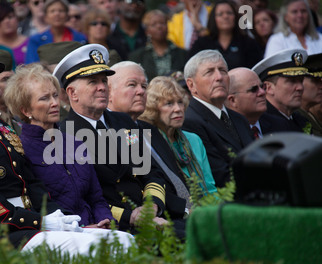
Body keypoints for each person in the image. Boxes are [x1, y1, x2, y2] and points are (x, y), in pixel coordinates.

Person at [0, 36, 133, 256]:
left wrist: (67, 221)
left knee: (124, 240)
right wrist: (40, 222)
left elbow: (33, 185)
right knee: (100, 248)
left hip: (29, 227)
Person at [54, 44, 187, 238]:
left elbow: (150, 172)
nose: (102, 87)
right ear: (73, 93)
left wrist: (152, 205)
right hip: (115, 225)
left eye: (103, 80)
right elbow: (82, 196)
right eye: (92, 82)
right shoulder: (65, 135)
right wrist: (131, 216)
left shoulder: (122, 121)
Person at [5, 63, 116, 229]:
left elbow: (96, 198)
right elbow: (36, 207)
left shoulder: (75, 142)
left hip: (96, 228)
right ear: (25, 110)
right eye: (44, 98)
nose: (54, 103)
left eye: (55, 95)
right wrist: (81, 228)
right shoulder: (20, 150)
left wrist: (106, 220)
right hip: (60, 233)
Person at [107, 61, 194, 219]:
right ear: (108, 93)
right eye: (132, 85)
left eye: (144, 86)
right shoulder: (108, 132)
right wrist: (186, 210)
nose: (141, 91)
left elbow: (164, 177)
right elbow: (136, 185)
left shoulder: (149, 129)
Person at [182, 49, 254, 188]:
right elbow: (219, 176)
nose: (219, 77)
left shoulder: (239, 119)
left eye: (222, 70)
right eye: (209, 72)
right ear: (191, 85)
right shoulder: (190, 122)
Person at [140, 75, 217, 196]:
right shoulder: (147, 142)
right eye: (169, 103)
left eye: (180, 102)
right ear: (153, 108)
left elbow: (210, 188)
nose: (178, 109)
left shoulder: (194, 140)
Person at [188, 0, 263, 70]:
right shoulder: (202, 43)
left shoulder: (248, 43)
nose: (225, 17)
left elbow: (256, 69)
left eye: (229, 13)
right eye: (220, 14)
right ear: (213, 18)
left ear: (236, 17)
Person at [252, 48, 310, 132]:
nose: (300, 87)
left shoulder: (301, 120)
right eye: (292, 81)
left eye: (301, 81)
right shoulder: (260, 123)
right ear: (268, 87)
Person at [226, 67, 290, 139]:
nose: (262, 92)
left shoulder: (280, 125)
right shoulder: (224, 133)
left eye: (262, 87)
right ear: (233, 100)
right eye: (253, 89)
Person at [129, 9, 187, 82]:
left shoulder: (182, 54)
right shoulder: (137, 56)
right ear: (147, 31)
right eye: (154, 24)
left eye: (162, 23)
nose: (159, 27)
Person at [0, 2, 28, 66]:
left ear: (17, 18)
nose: (7, 21)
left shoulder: (30, 42)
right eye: (1, 19)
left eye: (10, 17)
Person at [297, 53, 322, 136]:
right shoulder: (295, 116)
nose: (321, 86)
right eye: (315, 81)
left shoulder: (309, 114)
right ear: (300, 82)